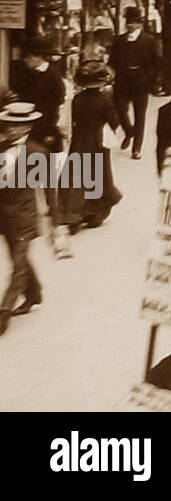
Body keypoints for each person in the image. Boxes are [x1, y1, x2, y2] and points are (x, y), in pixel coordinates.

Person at [10, 37, 70, 258]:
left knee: (47, 184)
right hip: (26, 132)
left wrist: (40, 131)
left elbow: (53, 112)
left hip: (44, 135)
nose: (25, 60)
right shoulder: (27, 74)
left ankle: (57, 227)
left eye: (29, 56)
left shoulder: (54, 79)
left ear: (38, 57)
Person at [64, 61, 124, 232]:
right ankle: (95, 210)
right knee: (99, 176)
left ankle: (74, 213)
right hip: (97, 142)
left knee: (77, 175)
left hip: (79, 141)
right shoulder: (104, 99)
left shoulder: (77, 99)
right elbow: (114, 121)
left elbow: (75, 120)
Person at [0, 103, 43, 335]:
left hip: (25, 216)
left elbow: (49, 190)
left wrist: (57, 222)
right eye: (8, 125)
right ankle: (34, 293)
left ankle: (4, 312)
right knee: (19, 258)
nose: (10, 129)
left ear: (27, 126)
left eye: (16, 126)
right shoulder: (0, 148)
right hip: (4, 216)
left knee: (17, 265)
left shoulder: (37, 153)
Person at [108, 6, 160, 158]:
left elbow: (157, 63)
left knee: (140, 114)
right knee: (119, 108)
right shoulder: (119, 41)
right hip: (122, 80)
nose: (129, 25)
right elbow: (112, 62)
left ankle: (137, 148)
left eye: (133, 22)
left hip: (141, 81)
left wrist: (150, 80)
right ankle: (129, 131)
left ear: (139, 24)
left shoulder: (149, 41)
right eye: (128, 22)